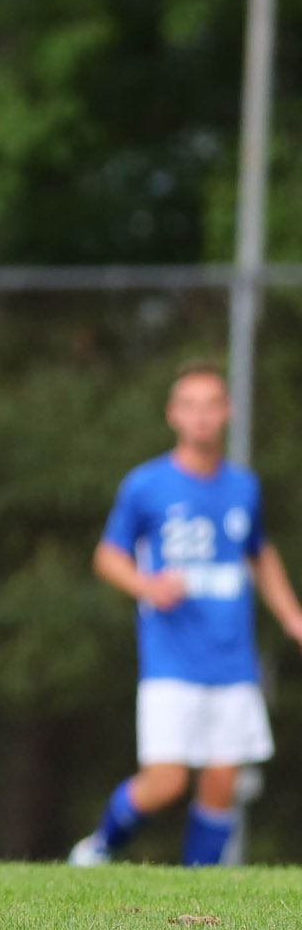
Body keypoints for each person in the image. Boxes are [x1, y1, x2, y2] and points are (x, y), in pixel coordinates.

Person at [70, 360, 302, 867]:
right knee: (167, 781)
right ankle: (98, 849)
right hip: (171, 658)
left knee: (223, 779)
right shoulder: (146, 485)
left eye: (211, 405)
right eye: (190, 406)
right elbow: (108, 556)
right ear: (173, 414)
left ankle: (198, 888)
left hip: (232, 658)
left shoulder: (244, 487)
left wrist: (292, 616)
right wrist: (147, 586)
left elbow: (260, 555)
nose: (201, 416)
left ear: (228, 412)